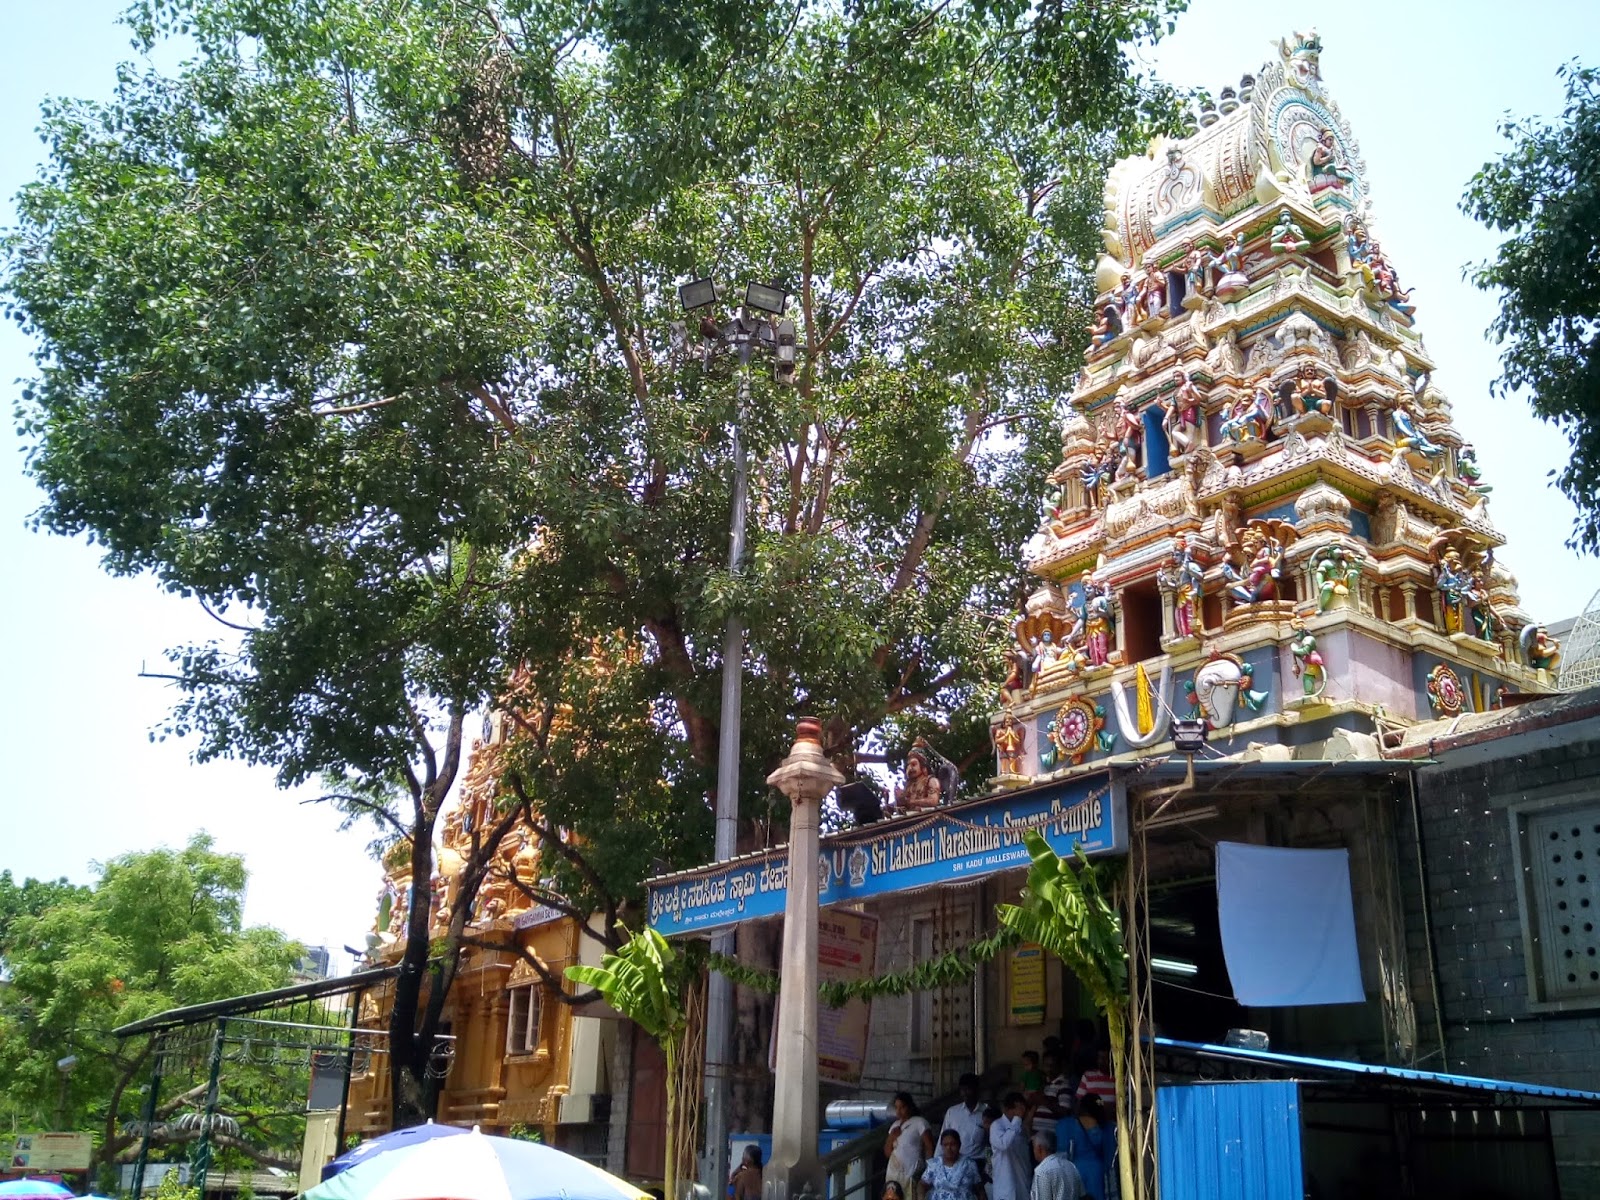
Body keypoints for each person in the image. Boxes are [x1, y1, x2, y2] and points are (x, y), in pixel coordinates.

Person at [1055, 1095, 1111, 1200]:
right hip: (1097, 1172)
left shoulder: (1064, 1124)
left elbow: (1061, 1155)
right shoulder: (1106, 1126)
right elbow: (1109, 1153)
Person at [886, 1092, 935, 1200]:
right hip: (894, 1171)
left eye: (902, 1107)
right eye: (896, 1107)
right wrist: (892, 1137)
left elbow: (929, 1146)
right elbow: (887, 1152)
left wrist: (928, 1167)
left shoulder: (920, 1122)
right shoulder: (895, 1126)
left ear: (909, 1107)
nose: (899, 1111)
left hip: (912, 1170)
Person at [989, 1092, 1034, 1200]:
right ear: (1008, 1109)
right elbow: (1003, 1144)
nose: (1021, 1112)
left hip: (1023, 1185)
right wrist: (1017, 1119)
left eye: (1022, 1109)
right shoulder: (997, 1125)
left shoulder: (1022, 1128)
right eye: (1018, 1108)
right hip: (1005, 1188)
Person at [923, 1130, 984, 1200]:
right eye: (945, 1145)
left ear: (959, 1145)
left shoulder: (969, 1164)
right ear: (941, 1146)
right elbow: (922, 1184)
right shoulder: (934, 1164)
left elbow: (979, 1188)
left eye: (953, 1144)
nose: (949, 1148)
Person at [942, 1073, 987, 1162]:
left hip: (978, 1163)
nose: (964, 1093)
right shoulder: (952, 1112)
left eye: (968, 1089)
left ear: (976, 1090)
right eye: (962, 1090)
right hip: (956, 1162)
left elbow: (990, 1144)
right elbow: (943, 1138)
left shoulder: (986, 1112)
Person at [1028, 1130, 1085, 1200]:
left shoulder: (1042, 1171)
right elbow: (1082, 1195)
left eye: (1034, 1147)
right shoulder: (1071, 1166)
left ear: (1039, 1148)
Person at [1030, 1053, 1072, 1139]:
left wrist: (1043, 1101)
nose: (1048, 1069)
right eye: (1046, 1066)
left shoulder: (1064, 1085)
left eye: (1052, 1066)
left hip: (1050, 1137)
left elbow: (1064, 1112)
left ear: (1059, 1066)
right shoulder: (1045, 1084)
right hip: (1037, 1135)